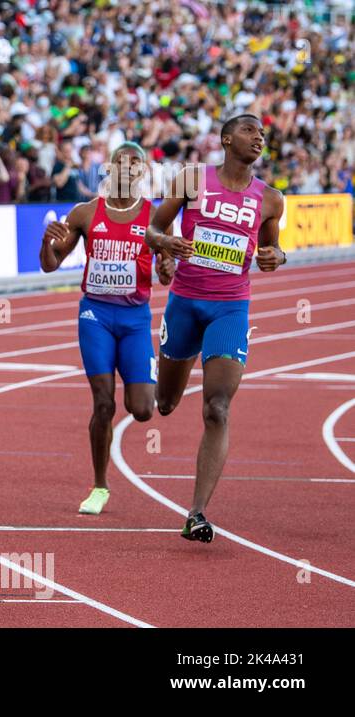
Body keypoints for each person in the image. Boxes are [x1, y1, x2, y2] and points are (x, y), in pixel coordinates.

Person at [144, 114, 287, 542]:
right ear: (226, 139)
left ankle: (197, 513)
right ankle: (168, 370)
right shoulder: (192, 180)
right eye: (249, 130)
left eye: (263, 132)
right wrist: (166, 243)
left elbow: (275, 249)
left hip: (230, 309)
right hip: (185, 304)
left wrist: (275, 258)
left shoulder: (271, 199)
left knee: (217, 408)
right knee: (166, 403)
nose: (258, 137)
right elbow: (153, 228)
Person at [39, 143, 174, 515]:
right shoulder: (86, 212)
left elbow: (167, 270)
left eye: (135, 163)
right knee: (103, 402)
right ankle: (100, 485)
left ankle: (152, 374)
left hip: (134, 320)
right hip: (95, 316)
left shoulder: (155, 216)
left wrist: (167, 269)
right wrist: (46, 242)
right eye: (120, 162)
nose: (126, 168)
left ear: (143, 171)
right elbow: (50, 266)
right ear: (110, 168)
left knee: (143, 409)